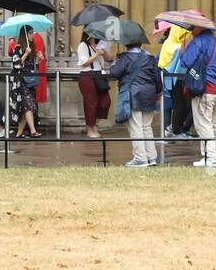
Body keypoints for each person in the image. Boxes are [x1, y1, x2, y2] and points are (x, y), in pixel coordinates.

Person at [172, 19, 216, 167]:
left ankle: (210, 157)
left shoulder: (198, 42)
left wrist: (183, 51)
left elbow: (186, 62)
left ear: (199, 29)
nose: (191, 31)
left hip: (204, 90)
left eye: (192, 28)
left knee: (204, 124)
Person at [109, 38, 162, 168]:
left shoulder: (125, 58)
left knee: (136, 127)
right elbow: (157, 78)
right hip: (149, 95)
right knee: (146, 127)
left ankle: (140, 158)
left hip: (132, 95)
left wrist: (115, 62)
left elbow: (114, 73)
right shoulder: (150, 58)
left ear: (126, 45)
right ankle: (151, 157)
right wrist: (158, 93)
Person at [77, 28, 113, 138]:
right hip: (87, 75)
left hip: (99, 75)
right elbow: (84, 63)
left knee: (105, 102)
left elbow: (108, 59)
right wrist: (97, 54)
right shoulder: (83, 45)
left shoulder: (99, 44)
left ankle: (95, 124)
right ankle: (90, 128)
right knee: (91, 103)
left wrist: (104, 52)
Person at [158, 24, 192, 138]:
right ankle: (176, 130)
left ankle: (176, 128)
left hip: (174, 78)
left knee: (181, 104)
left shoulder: (169, 43)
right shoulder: (176, 47)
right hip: (175, 79)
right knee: (179, 105)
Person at [8, 28, 42, 139]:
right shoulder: (18, 48)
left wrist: (38, 60)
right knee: (28, 105)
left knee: (25, 108)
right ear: (25, 35)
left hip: (29, 80)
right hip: (20, 80)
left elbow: (32, 65)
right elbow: (16, 64)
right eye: (30, 33)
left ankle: (19, 132)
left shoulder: (31, 48)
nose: (33, 35)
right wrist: (25, 54)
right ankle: (33, 131)